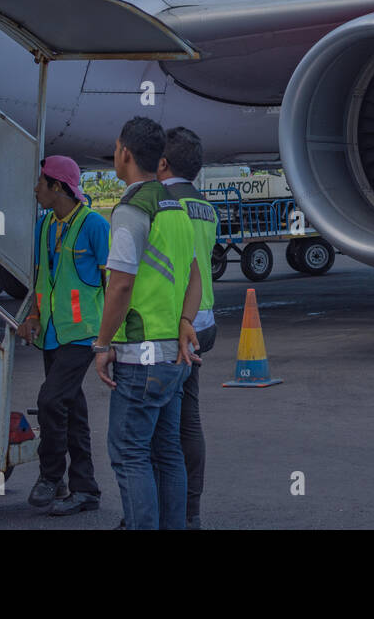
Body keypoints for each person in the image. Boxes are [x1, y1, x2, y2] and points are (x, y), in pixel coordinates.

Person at [94, 118, 201, 530]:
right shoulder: (176, 207)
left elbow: (120, 285)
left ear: (123, 152)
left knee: (129, 454)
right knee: (167, 452)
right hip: (174, 355)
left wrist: (102, 347)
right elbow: (194, 273)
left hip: (140, 358)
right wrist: (186, 320)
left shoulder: (132, 209)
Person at [17, 156, 108, 516]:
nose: (36, 188)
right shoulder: (44, 226)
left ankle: (51, 476)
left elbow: (115, 281)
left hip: (83, 333)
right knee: (72, 408)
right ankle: (85, 490)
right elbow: (41, 277)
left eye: (41, 182)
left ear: (58, 187)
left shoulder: (94, 225)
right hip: (52, 333)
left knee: (51, 401)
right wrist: (34, 315)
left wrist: (110, 336)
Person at [157, 127, 218, 529]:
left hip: (174, 322)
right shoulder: (206, 207)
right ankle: (190, 510)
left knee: (162, 427)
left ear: (161, 162)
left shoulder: (162, 203)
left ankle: (167, 511)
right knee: (188, 419)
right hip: (205, 319)